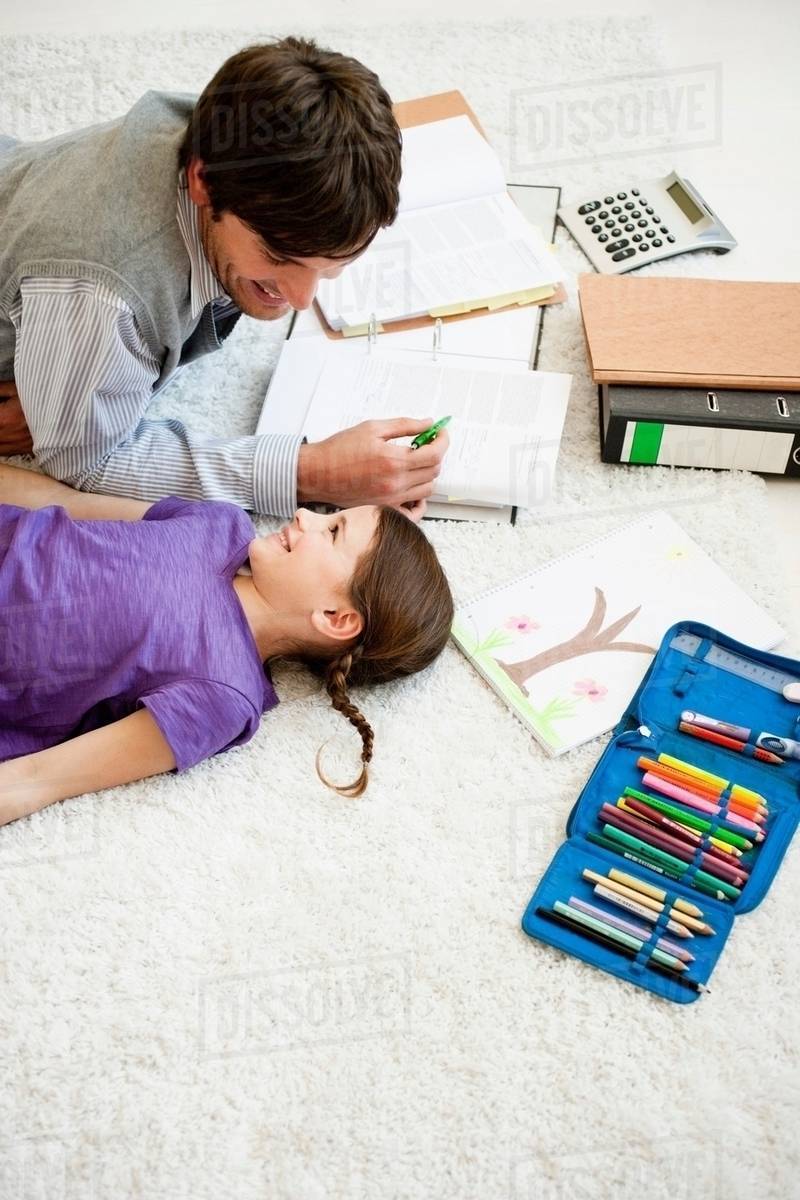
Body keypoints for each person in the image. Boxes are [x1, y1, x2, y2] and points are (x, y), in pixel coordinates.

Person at [0, 36, 449, 518]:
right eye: (280, 256)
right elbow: (86, 461)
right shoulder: (104, 291)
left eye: (333, 266)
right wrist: (311, 471)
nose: (301, 300)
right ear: (201, 181)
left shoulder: (238, 132)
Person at [0, 463, 454, 826]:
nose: (304, 515)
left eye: (332, 531)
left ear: (336, 618)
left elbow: (41, 779)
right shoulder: (220, 523)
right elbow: (66, 503)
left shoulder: (222, 694)